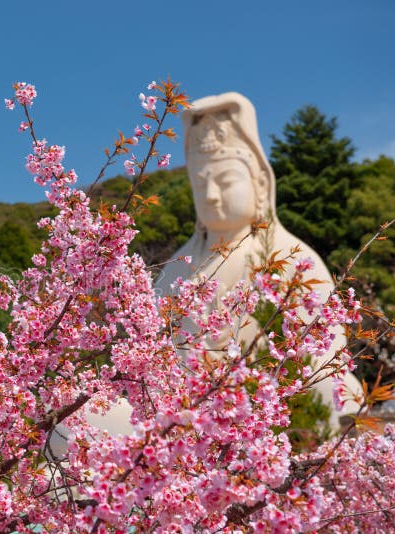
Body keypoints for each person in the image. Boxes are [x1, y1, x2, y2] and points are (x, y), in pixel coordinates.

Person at [154, 92, 361, 429]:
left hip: (273, 413)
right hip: (187, 414)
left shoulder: (294, 259)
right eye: (200, 183)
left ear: (260, 184)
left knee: (335, 389)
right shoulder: (175, 271)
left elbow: (327, 356)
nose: (210, 196)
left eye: (225, 182)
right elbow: (154, 358)